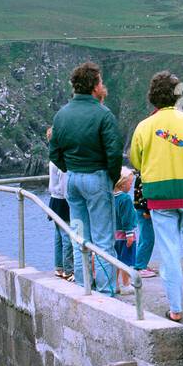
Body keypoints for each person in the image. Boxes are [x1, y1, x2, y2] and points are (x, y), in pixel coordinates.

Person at [129, 71, 183, 324]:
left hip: (159, 195)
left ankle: (176, 309)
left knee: (169, 253)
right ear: (178, 96)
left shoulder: (144, 127)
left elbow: (136, 161)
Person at [49, 62, 124, 294]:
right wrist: (110, 179)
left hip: (72, 181)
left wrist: (70, 168)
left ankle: (82, 287)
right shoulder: (103, 114)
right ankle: (105, 292)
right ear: (94, 86)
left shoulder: (62, 115)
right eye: (101, 82)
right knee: (103, 240)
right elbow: (114, 153)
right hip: (97, 179)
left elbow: (54, 153)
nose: (103, 86)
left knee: (79, 236)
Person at [46, 126, 74, 281]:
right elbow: (64, 185)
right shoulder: (62, 160)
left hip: (54, 199)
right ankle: (69, 270)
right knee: (67, 236)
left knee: (58, 234)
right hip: (64, 200)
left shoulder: (53, 158)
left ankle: (59, 267)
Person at [113, 167, 139, 290]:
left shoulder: (111, 197)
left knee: (115, 260)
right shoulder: (125, 199)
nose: (131, 185)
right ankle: (126, 284)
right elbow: (127, 218)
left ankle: (115, 284)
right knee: (126, 261)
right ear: (123, 184)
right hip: (125, 235)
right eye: (130, 183)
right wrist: (130, 234)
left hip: (114, 235)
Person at [132, 169, 157, 279]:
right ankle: (140, 266)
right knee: (147, 238)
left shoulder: (140, 176)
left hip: (141, 210)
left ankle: (142, 264)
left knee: (145, 238)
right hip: (144, 211)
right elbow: (143, 196)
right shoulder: (145, 176)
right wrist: (147, 211)